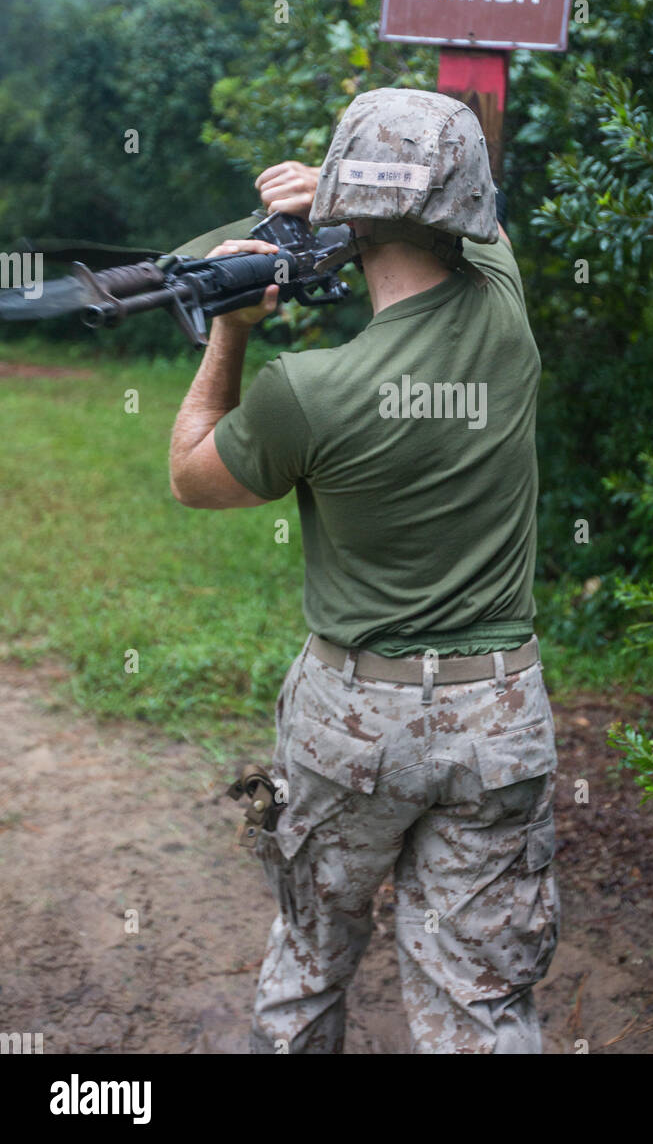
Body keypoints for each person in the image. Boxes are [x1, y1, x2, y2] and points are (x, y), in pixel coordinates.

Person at [169, 87, 559, 1054]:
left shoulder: (309, 392)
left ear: (346, 199)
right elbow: (467, 221)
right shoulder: (507, 315)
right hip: (500, 716)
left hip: (354, 723)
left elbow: (193, 476)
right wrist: (348, 195)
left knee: (309, 961)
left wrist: (232, 325)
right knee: (481, 1002)